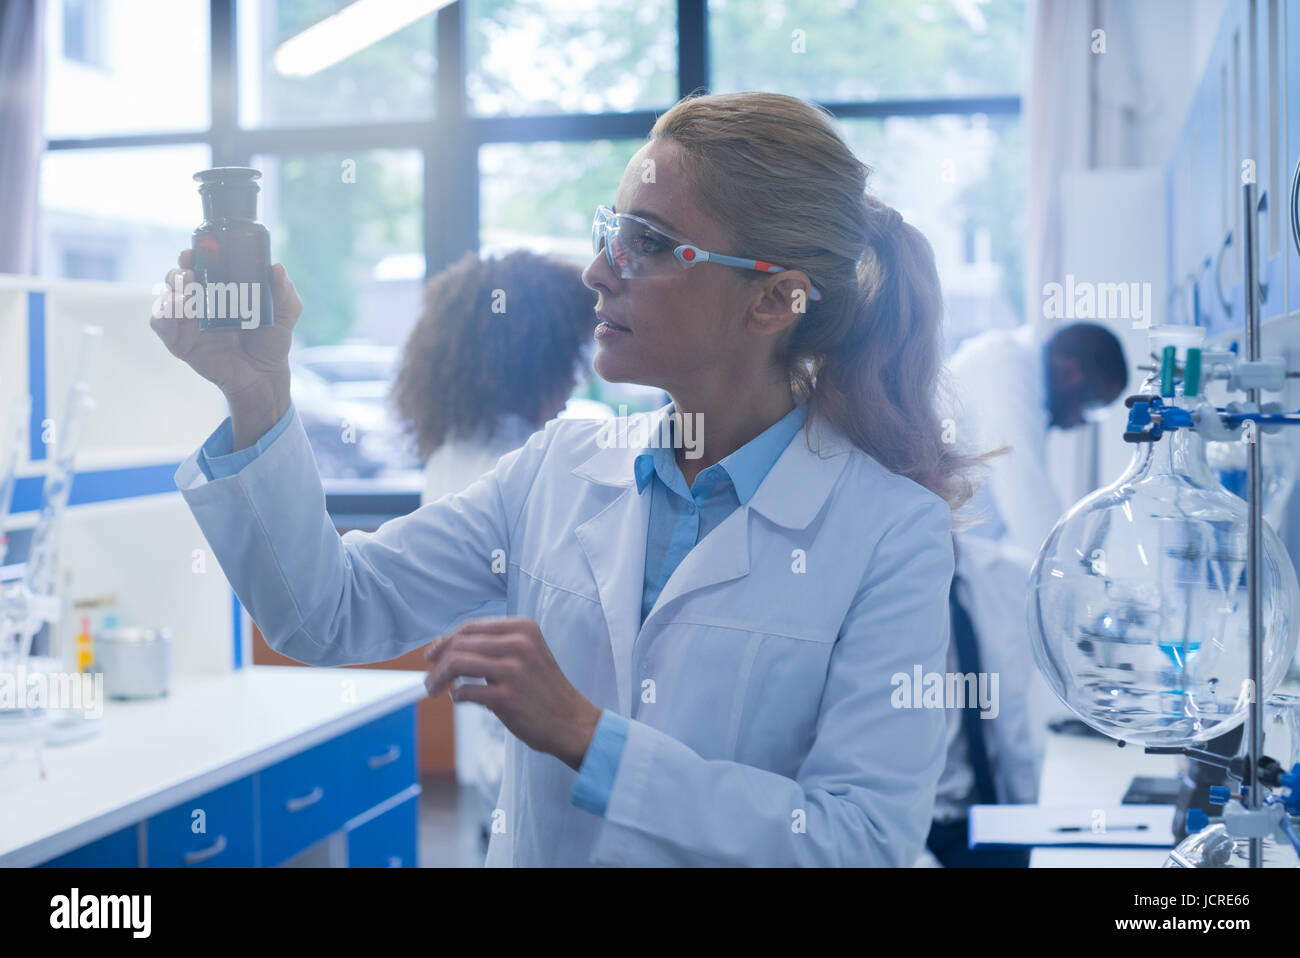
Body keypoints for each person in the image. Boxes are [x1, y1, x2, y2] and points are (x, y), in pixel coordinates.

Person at [152, 90, 985, 867]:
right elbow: (326, 614)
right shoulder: (561, 469)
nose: (598, 269)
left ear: (774, 302)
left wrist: (590, 738)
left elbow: (861, 841)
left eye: (649, 244)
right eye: (611, 230)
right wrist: (256, 390)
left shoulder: (888, 532)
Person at [391, 249, 597, 846]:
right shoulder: (523, 466)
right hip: (533, 767)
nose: (576, 376)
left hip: (497, 768)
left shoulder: (451, 453)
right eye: (570, 358)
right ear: (537, 360)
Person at [947, 321, 1127, 556]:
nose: (1083, 422)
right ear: (1070, 372)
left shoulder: (1019, 370)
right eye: (1092, 408)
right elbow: (1026, 495)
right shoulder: (1007, 369)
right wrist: (1071, 573)